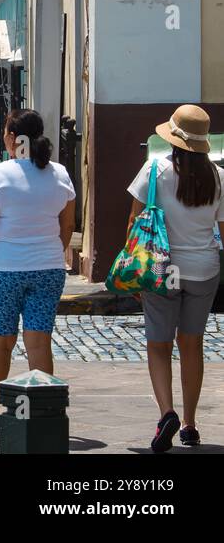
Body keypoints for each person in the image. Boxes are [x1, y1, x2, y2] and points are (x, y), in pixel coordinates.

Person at [0, 109, 75, 438]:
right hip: (49, 269)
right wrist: (51, 251)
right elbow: (67, 226)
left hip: (6, 269)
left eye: (5, 134)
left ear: (14, 138)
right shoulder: (60, 175)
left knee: (1, 344)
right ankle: (41, 416)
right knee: (39, 343)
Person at [126, 105, 224, 452]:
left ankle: (166, 412)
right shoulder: (218, 176)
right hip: (204, 270)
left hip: (162, 268)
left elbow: (135, 223)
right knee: (192, 344)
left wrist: (138, 276)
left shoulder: (155, 169)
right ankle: (190, 423)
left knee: (158, 343)